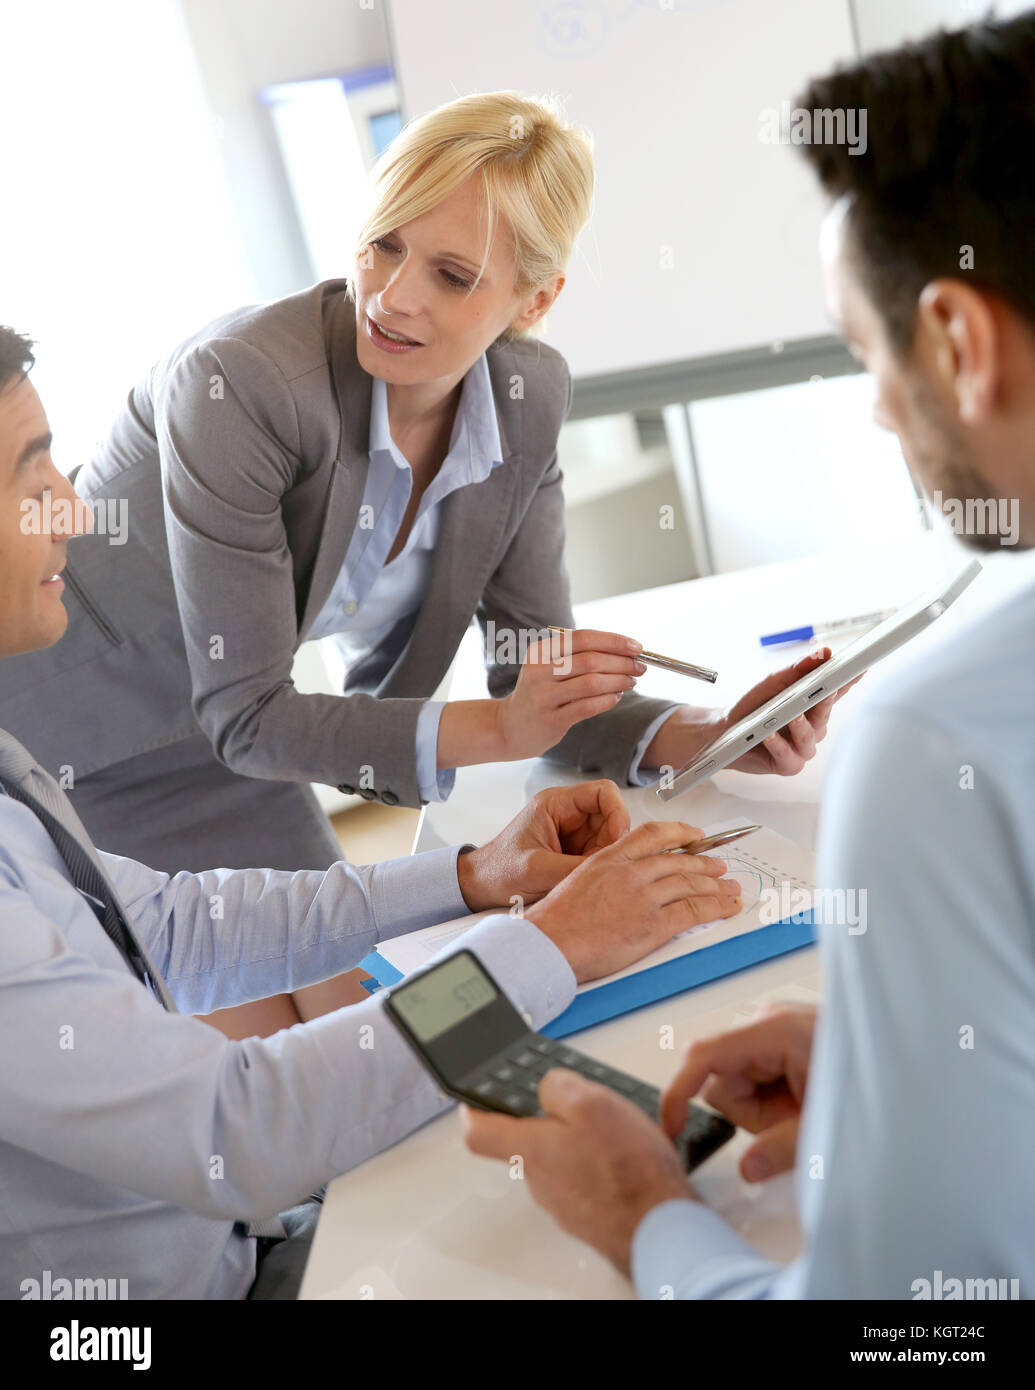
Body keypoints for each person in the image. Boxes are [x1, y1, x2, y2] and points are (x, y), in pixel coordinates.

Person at [0, 90, 845, 1034]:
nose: (394, 295)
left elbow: (534, 668)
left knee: (363, 1012)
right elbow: (255, 714)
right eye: (382, 244)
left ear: (536, 297)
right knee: (245, 1068)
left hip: (229, 750)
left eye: (451, 273)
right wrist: (502, 724)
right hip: (58, 745)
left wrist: (708, 730)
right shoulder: (241, 380)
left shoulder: (526, 399)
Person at [463, 11, 1035, 1299]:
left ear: (957, 341)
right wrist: (940, 1068)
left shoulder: (943, 746)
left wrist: (646, 1214)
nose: (879, 404)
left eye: (863, 350)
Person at [0, 322, 750, 1299]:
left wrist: (473, 875)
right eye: (29, 475)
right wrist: (553, 943)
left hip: (257, 1236)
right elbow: (241, 1128)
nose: (70, 505)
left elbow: (174, 923)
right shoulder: (246, 391)